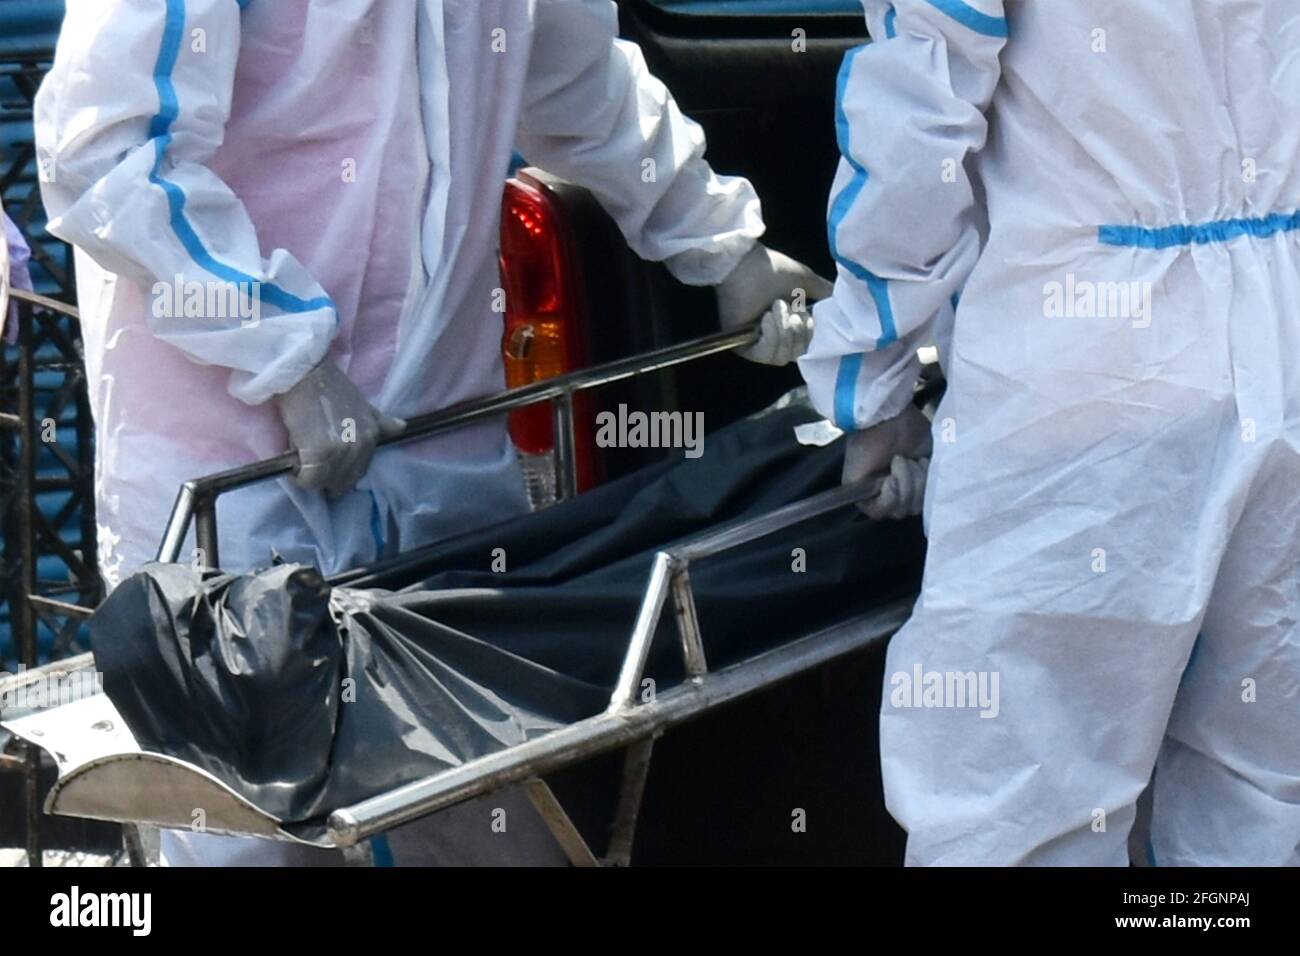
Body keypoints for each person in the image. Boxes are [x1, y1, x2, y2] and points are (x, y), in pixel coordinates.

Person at [35, 0, 828, 866]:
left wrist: (722, 246)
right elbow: (107, 153)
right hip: (232, 466)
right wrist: (286, 356)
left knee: (482, 804)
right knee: (247, 832)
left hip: (439, 447)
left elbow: (580, 81)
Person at [800, 0, 1300, 865]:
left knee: (1017, 816)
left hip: (1083, 371)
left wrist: (867, 381)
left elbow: (917, 117)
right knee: (1258, 787)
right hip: (1283, 337)